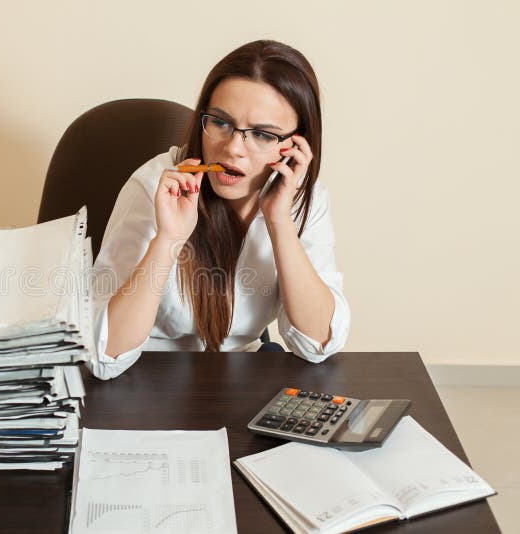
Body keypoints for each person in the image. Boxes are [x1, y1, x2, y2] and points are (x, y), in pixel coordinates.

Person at [89, 40, 350, 380]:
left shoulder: (301, 199)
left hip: (237, 380)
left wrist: (279, 222)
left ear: (295, 145)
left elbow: (318, 344)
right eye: (221, 122)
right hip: (145, 378)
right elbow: (103, 356)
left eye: (261, 134)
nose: (233, 148)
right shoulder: (155, 185)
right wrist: (169, 238)